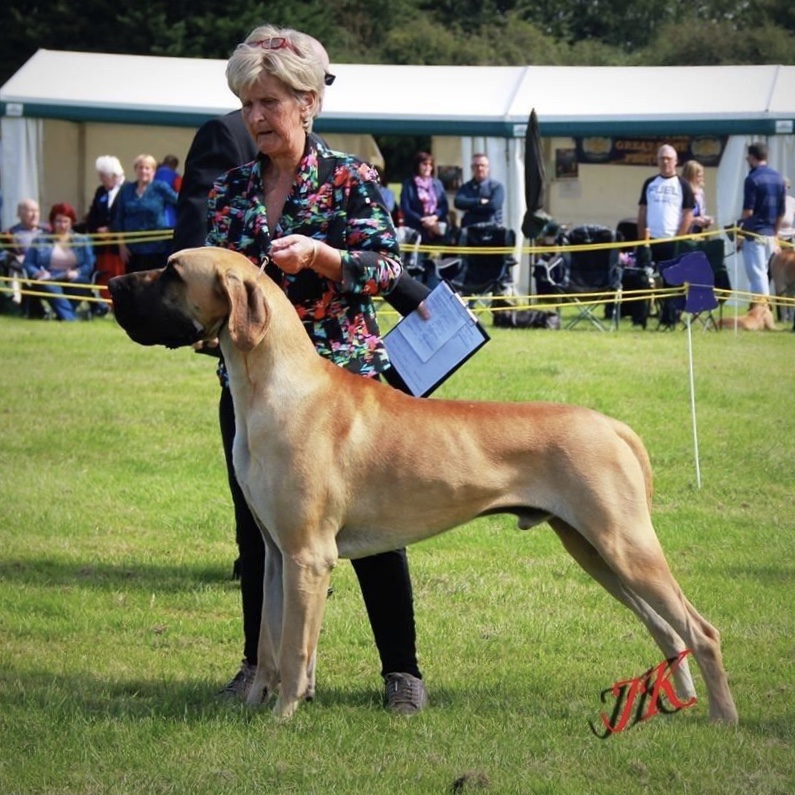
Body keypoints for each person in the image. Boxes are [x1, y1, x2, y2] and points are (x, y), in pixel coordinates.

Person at [175, 24, 430, 715]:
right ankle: (258, 667)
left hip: (341, 385)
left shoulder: (350, 177)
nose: (255, 116)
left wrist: (324, 258)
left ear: (308, 101)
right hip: (253, 388)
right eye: (248, 103)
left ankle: (400, 671)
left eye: (269, 102)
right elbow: (214, 283)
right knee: (257, 528)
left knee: (373, 529)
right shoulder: (230, 188)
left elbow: (387, 270)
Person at [22, 202, 96, 321]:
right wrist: (38, 273)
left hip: (71, 277)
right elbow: (28, 263)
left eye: (65, 221)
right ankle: (70, 319)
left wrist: (77, 272)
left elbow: (89, 264)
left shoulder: (82, 240)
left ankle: (62, 315)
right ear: (52, 222)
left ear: (71, 222)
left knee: (83, 282)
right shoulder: (40, 240)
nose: (62, 225)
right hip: (48, 278)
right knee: (51, 287)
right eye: (58, 221)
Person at [112, 153, 178, 273]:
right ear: (135, 170)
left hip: (157, 248)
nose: (143, 171)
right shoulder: (126, 189)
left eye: (147, 168)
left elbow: (179, 202)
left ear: (153, 171)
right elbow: (119, 217)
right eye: (140, 167)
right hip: (132, 249)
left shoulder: (160, 187)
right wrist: (121, 245)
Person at [740, 142, 786, 298]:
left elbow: (748, 211)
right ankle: (759, 309)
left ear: (752, 158)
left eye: (748, 158)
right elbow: (781, 212)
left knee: (757, 274)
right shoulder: (779, 178)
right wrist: (775, 234)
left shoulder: (752, 179)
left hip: (754, 234)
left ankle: (762, 311)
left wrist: (740, 233)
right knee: (763, 272)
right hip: (770, 234)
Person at [637, 144, 695, 266]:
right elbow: (643, 210)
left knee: (672, 281)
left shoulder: (683, 185)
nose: (665, 161)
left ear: (676, 161)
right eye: (662, 158)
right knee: (647, 279)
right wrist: (642, 238)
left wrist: (679, 239)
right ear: (657, 161)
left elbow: (688, 214)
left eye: (669, 158)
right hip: (651, 240)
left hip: (672, 240)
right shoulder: (650, 183)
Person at [400, 151, 449, 288]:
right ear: (418, 166)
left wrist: (435, 217)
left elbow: (444, 205)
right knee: (417, 266)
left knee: (434, 267)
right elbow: (406, 208)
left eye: (430, 164)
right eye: (424, 164)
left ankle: (433, 297)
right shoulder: (409, 184)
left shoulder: (437, 184)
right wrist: (423, 221)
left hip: (435, 233)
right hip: (417, 232)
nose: (428, 167)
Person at [84, 155, 126, 299]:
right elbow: (93, 213)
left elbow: (124, 215)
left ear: (114, 175)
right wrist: (96, 228)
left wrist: (111, 230)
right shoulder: (100, 191)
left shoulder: (126, 190)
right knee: (103, 272)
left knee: (118, 273)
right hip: (102, 243)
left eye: (103, 175)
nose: (101, 179)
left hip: (119, 244)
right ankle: (104, 301)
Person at [1, 198, 49, 314]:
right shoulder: (10, 234)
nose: (34, 215)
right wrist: (14, 256)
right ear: (19, 214)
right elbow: (5, 253)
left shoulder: (48, 230)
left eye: (37, 211)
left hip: (50, 266)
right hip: (23, 267)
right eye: (30, 211)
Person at [454, 153, 504, 228]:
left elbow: (493, 206)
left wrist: (470, 208)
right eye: (476, 166)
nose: (479, 168)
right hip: (470, 230)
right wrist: (479, 201)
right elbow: (458, 202)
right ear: (472, 168)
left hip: (491, 230)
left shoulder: (497, 187)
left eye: (482, 165)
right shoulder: (466, 187)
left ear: (488, 168)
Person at [681, 160, 713, 235]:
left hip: (697, 235)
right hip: (683, 235)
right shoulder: (681, 193)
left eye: (702, 176)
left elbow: (701, 213)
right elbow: (677, 218)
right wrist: (694, 221)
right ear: (691, 176)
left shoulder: (700, 193)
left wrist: (706, 221)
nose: (702, 179)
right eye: (699, 176)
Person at [155, 155, 182, 229]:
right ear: (175, 166)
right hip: (169, 215)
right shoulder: (176, 176)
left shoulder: (153, 173)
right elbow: (180, 193)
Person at [777, 176, 794, 242]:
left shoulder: (792, 201)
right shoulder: (771, 201)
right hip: (774, 239)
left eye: (786, 187)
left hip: (788, 238)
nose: (784, 189)